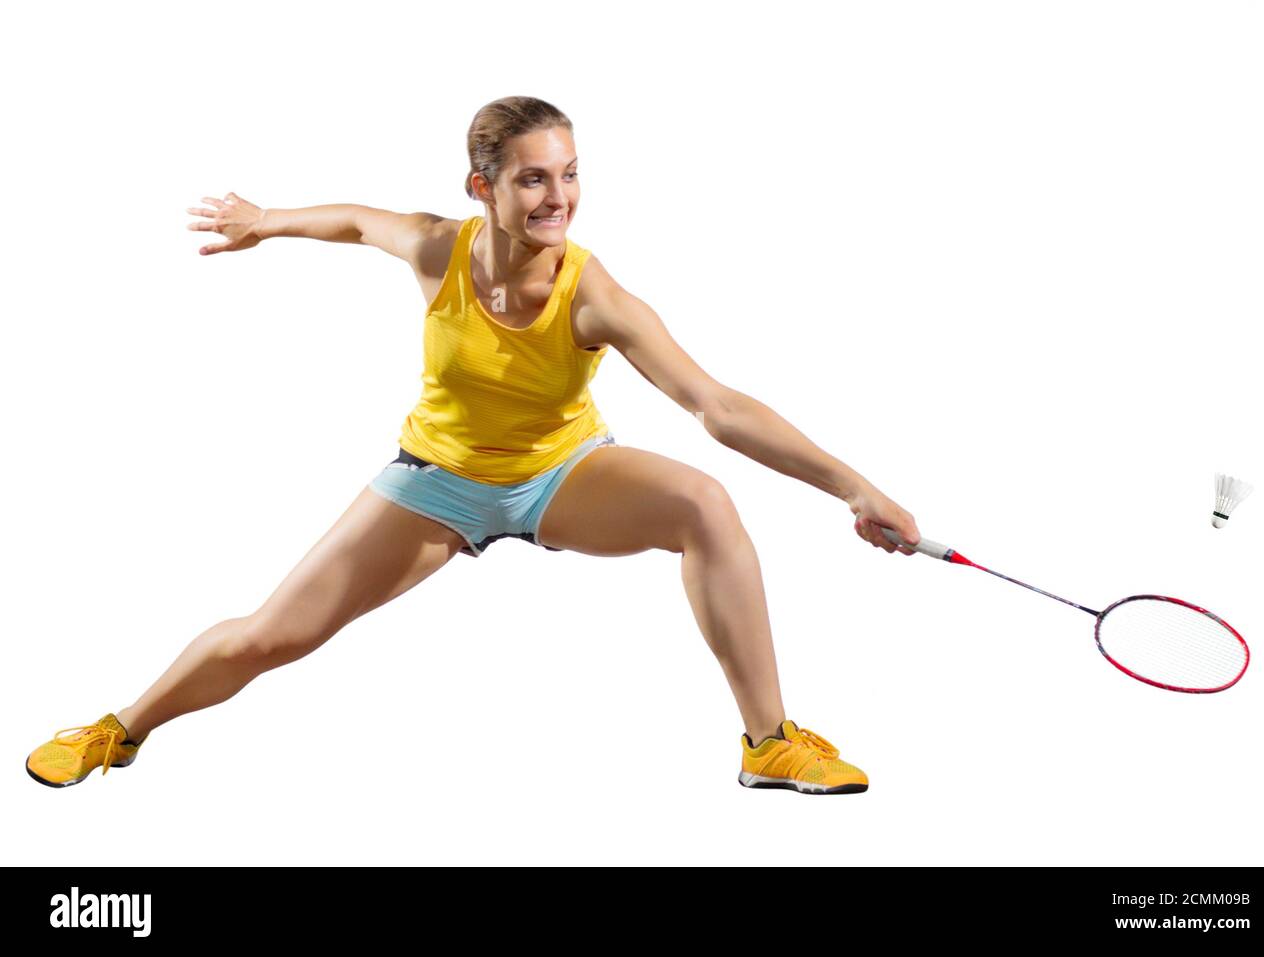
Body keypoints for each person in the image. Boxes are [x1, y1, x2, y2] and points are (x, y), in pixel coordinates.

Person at [26, 96, 920, 795]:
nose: (559, 198)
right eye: (532, 179)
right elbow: (356, 221)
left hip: (561, 474)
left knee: (703, 503)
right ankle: (120, 729)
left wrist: (855, 487)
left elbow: (716, 406)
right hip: (437, 480)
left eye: (570, 174)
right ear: (481, 187)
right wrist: (267, 219)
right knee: (270, 636)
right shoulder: (436, 250)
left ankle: (768, 742)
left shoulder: (593, 295)